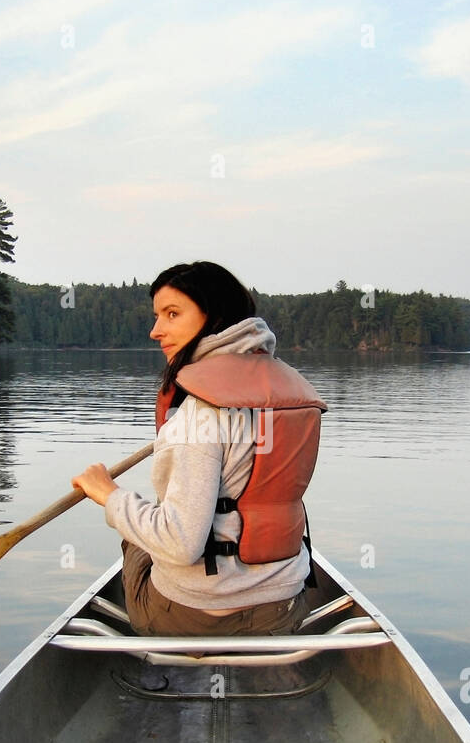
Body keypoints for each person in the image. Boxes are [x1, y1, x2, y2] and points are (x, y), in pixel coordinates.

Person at [72, 261, 326, 637]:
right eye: (157, 316)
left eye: (172, 314)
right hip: (285, 605)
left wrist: (108, 495)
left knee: (134, 533)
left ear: (214, 316)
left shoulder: (195, 418)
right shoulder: (282, 392)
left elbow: (179, 545)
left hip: (195, 618)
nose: (155, 331)